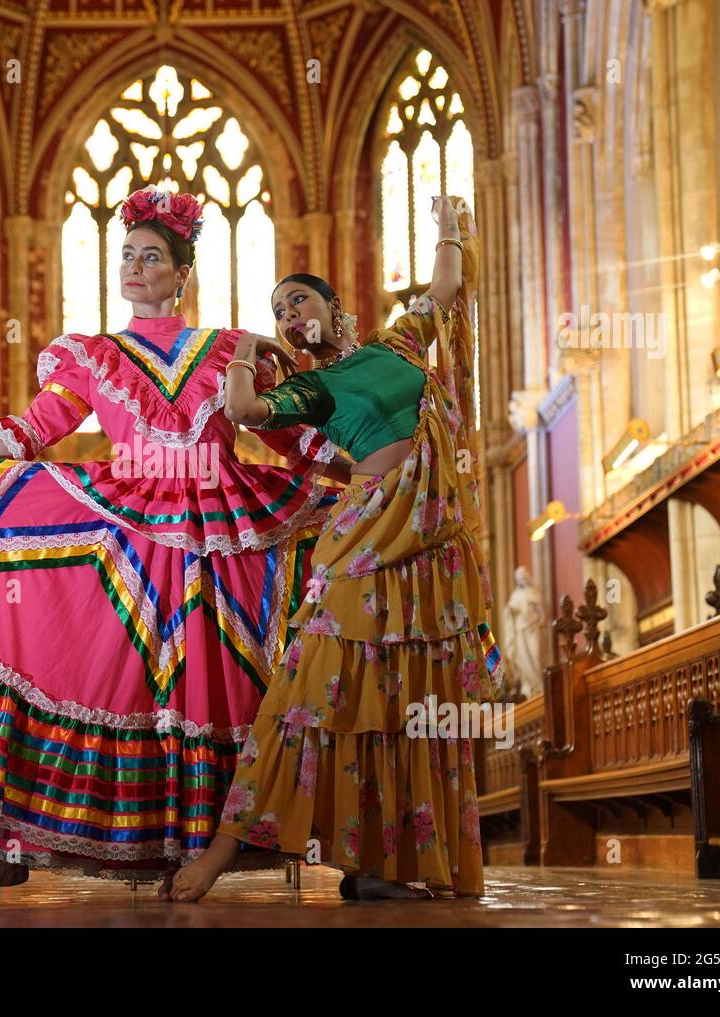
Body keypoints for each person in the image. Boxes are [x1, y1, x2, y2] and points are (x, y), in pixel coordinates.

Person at [0, 187, 348, 902]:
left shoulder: (231, 350)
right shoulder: (93, 356)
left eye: (151, 257)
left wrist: (376, 468)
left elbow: (293, 439)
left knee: (221, 687)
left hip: (223, 530)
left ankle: (216, 842)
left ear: (181, 272)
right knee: (94, 679)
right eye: (126, 255)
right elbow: (24, 436)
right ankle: (13, 841)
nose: (134, 267)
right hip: (120, 530)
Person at [171, 196, 503, 902]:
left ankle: (380, 866)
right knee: (309, 688)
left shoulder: (396, 345)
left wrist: (447, 227)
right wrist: (239, 355)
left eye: (299, 300)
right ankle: (221, 852)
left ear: (337, 308)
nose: (290, 315)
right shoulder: (309, 387)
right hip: (364, 542)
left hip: (429, 553)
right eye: (280, 311)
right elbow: (244, 412)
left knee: (411, 701)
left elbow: (445, 287)